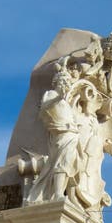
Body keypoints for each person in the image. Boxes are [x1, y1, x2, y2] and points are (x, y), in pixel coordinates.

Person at [27, 65, 79, 203]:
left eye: (67, 83)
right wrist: (59, 97)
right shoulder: (51, 94)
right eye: (64, 81)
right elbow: (44, 107)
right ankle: (57, 195)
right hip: (61, 135)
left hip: (71, 134)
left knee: (67, 165)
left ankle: (59, 193)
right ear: (57, 82)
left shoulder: (65, 103)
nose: (66, 84)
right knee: (61, 163)